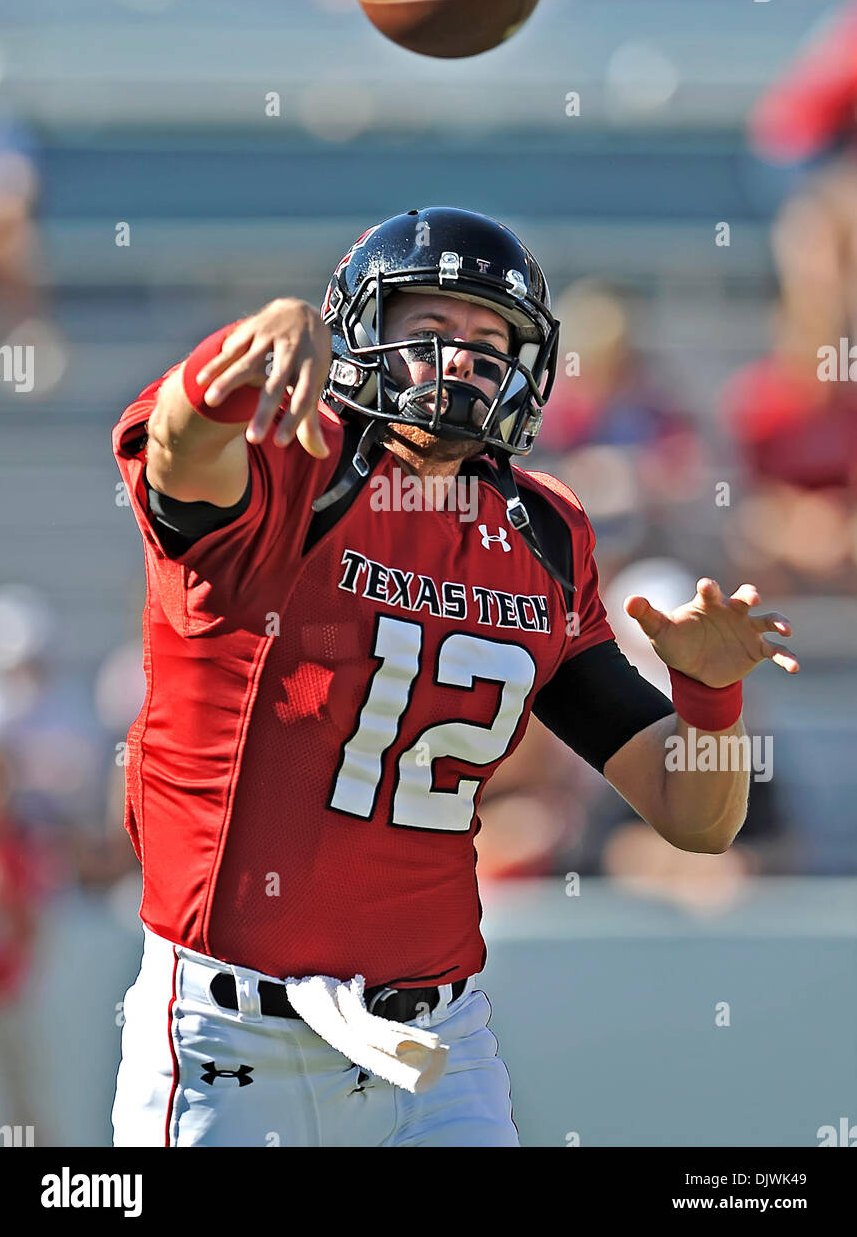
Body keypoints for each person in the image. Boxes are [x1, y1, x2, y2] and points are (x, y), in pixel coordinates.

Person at [110, 206, 798, 1147]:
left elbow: (697, 819)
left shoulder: (544, 536)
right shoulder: (293, 464)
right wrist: (242, 350)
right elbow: (184, 449)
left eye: (487, 340)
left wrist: (711, 701)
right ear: (359, 335)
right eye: (429, 331)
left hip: (437, 1042)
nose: (461, 362)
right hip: (228, 1035)